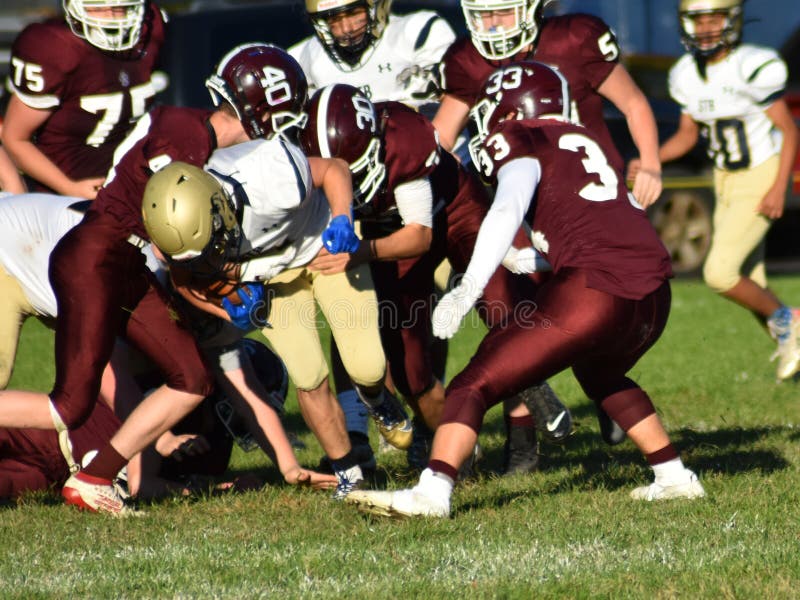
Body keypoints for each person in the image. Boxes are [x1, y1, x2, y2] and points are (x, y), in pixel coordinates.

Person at [344, 61, 706, 518]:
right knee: (601, 376)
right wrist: (523, 258)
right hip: (655, 294)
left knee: (472, 383)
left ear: (508, 111)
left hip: (596, 290)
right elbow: (613, 224)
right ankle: (673, 475)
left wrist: (470, 283)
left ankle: (431, 493)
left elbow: (506, 210)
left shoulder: (523, 137)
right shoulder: (587, 143)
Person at [0, 43, 331, 516]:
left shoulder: (194, 139)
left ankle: (94, 479)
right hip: (97, 258)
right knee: (68, 406)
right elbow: (168, 241)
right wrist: (221, 285)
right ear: (263, 109)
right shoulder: (186, 138)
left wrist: (222, 297)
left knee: (192, 378)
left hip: (126, 266)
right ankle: (96, 476)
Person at [300, 83, 571, 475]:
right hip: (387, 235)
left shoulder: (404, 139)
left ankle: (528, 413)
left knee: (503, 309)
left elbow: (420, 236)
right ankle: (456, 448)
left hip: (455, 211)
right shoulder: (313, 156)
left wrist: (360, 252)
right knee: (409, 370)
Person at [432, 0, 665, 445]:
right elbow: (441, 139)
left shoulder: (574, 39)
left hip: (583, 208)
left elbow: (633, 103)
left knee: (581, 316)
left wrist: (651, 162)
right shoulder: (467, 59)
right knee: (510, 318)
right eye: (485, 15)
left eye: (504, 12)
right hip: (517, 201)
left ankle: (608, 390)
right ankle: (525, 439)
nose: (495, 26)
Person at [141, 149, 413, 499]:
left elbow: (335, 168)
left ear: (217, 208)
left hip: (323, 247)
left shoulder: (268, 177)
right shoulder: (178, 231)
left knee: (367, 366)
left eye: (211, 247)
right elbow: (183, 281)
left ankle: (375, 396)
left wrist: (342, 218)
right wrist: (227, 312)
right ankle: (350, 475)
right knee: (309, 376)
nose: (210, 258)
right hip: (274, 279)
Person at [629, 0, 800, 381]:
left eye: (714, 19)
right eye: (697, 20)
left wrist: (778, 186)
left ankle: (790, 320)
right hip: (724, 180)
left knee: (720, 273)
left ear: (733, 20)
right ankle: (790, 335)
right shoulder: (685, 73)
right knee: (750, 281)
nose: (706, 28)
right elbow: (688, 135)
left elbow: (789, 131)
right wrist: (652, 159)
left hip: (759, 174)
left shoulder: (752, 66)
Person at [2, 0, 166, 198]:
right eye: (97, 5)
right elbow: (15, 138)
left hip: (124, 187)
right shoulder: (55, 47)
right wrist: (68, 187)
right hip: (56, 198)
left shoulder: (151, 29)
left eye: (119, 5)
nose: (112, 16)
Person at [289, 0, 455, 108]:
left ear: (377, 7)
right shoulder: (300, 58)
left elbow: (445, 103)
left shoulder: (416, 31)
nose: (347, 29)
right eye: (334, 19)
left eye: (353, 14)